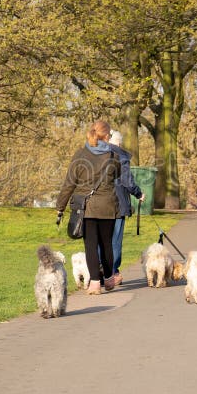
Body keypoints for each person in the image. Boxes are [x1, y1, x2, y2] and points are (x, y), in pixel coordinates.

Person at [57, 120, 120, 295]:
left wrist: (60, 206)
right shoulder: (113, 156)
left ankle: (94, 283)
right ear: (106, 135)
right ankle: (108, 279)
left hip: (86, 207)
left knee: (90, 245)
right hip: (107, 206)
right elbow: (119, 174)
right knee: (106, 243)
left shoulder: (80, 155)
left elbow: (69, 183)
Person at [108, 130, 145, 285]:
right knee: (115, 240)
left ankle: (99, 272)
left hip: (99, 204)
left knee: (102, 240)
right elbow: (127, 181)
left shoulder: (98, 154)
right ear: (118, 142)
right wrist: (138, 193)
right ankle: (113, 272)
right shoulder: (121, 156)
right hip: (118, 203)